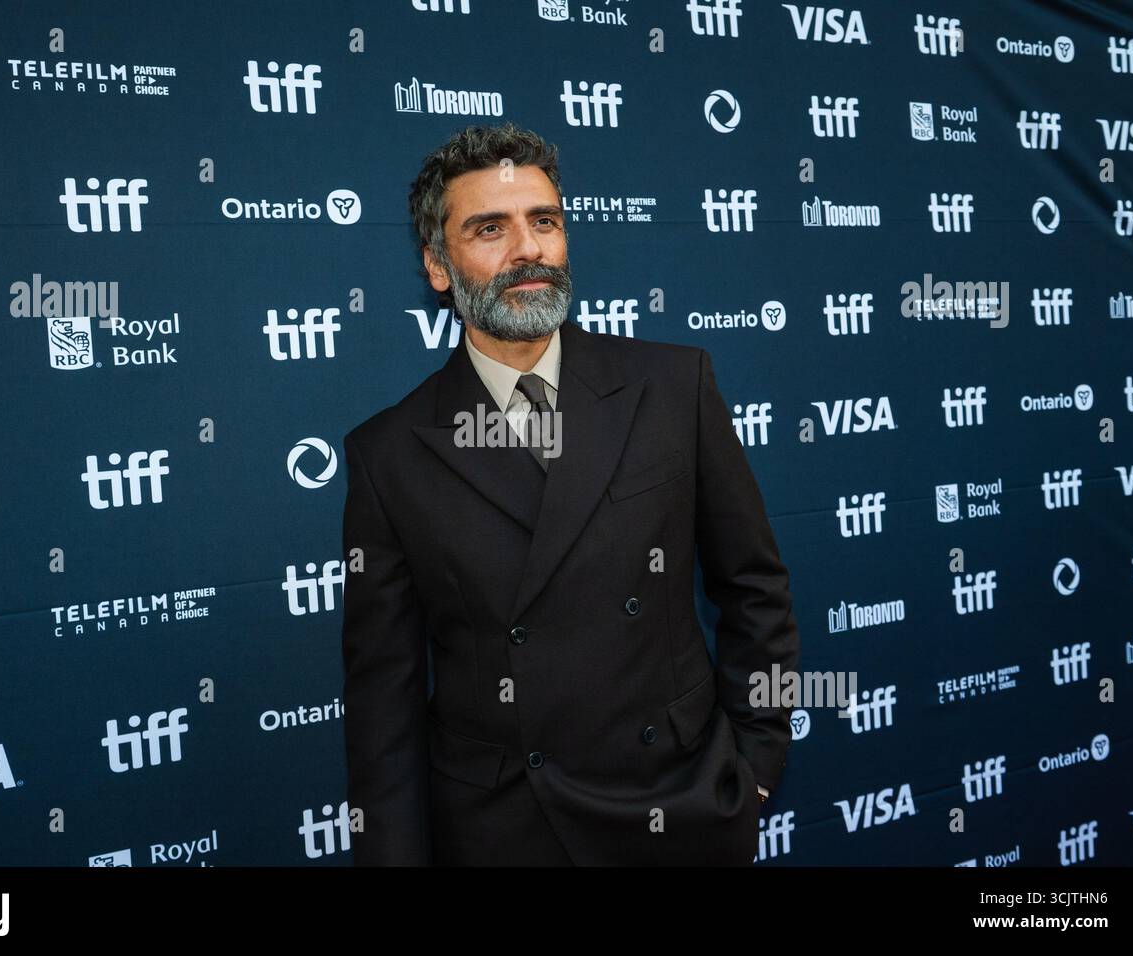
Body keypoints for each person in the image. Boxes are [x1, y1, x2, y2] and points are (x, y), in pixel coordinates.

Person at [340, 121, 801, 865]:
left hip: (678, 806)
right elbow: (382, 703)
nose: (528, 249)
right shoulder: (390, 454)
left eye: (544, 222)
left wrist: (757, 769)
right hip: (507, 831)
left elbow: (754, 589)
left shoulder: (672, 385)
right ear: (435, 265)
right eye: (490, 228)